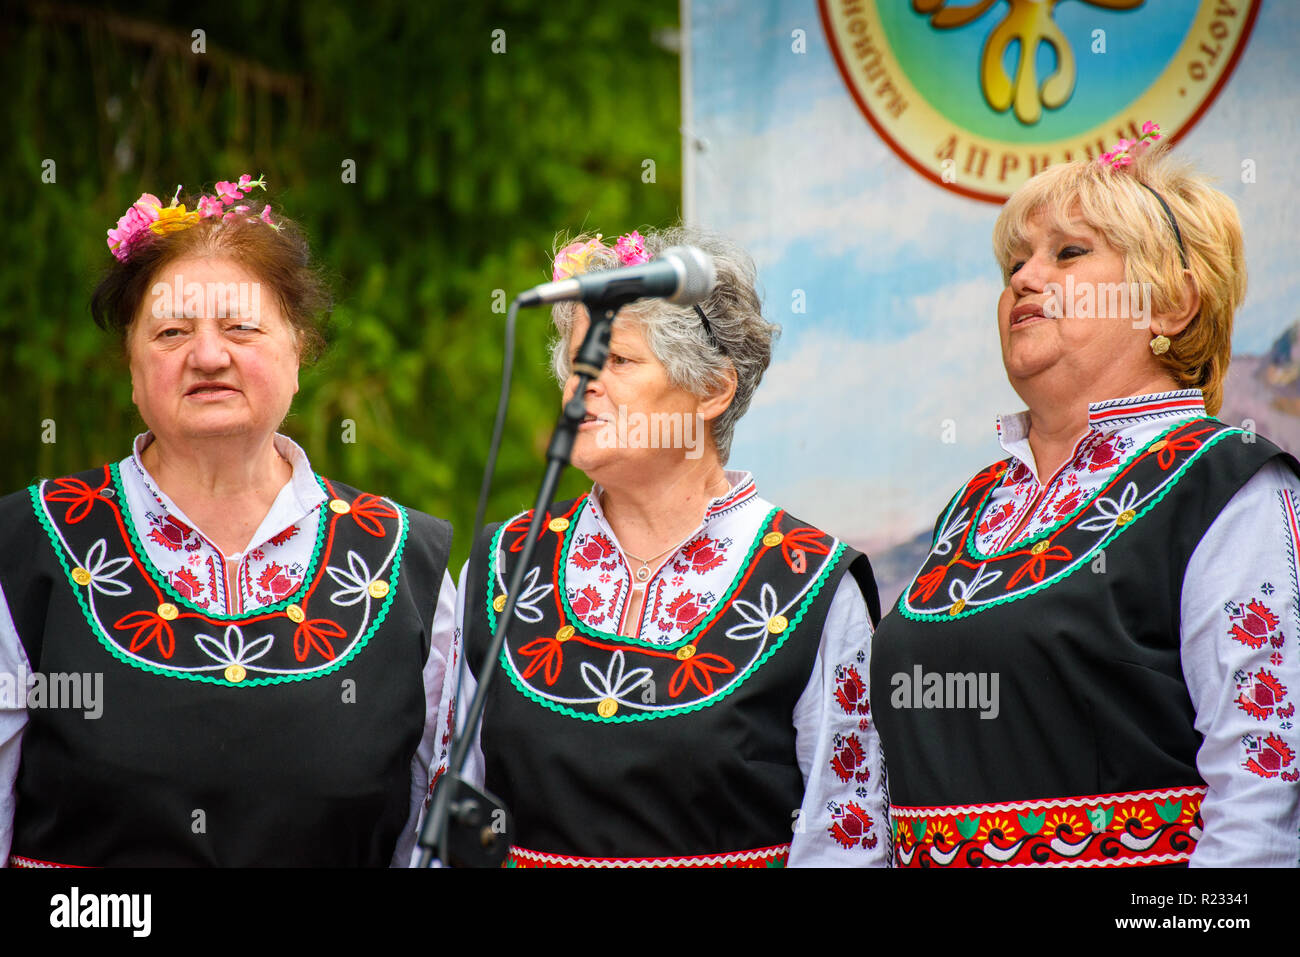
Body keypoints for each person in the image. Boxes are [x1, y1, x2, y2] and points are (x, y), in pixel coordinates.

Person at [871, 125, 1300, 867]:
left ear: (1170, 305)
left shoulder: (1224, 486)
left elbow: (1263, 805)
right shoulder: (974, 504)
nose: (1023, 280)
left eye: (1069, 253)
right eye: (1014, 262)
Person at [0, 177, 457, 866]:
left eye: (241, 326)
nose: (208, 356)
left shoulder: (405, 565)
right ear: (131, 362)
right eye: (172, 331)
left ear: (299, 349)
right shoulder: (27, 548)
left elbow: (433, 832)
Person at [456, 227, 887, 867]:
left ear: (712, 390)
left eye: (619, 361)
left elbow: (843, 840)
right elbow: (451, 806)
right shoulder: (502, 566)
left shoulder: (812, 581)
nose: (584, 386)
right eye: (577, 362)